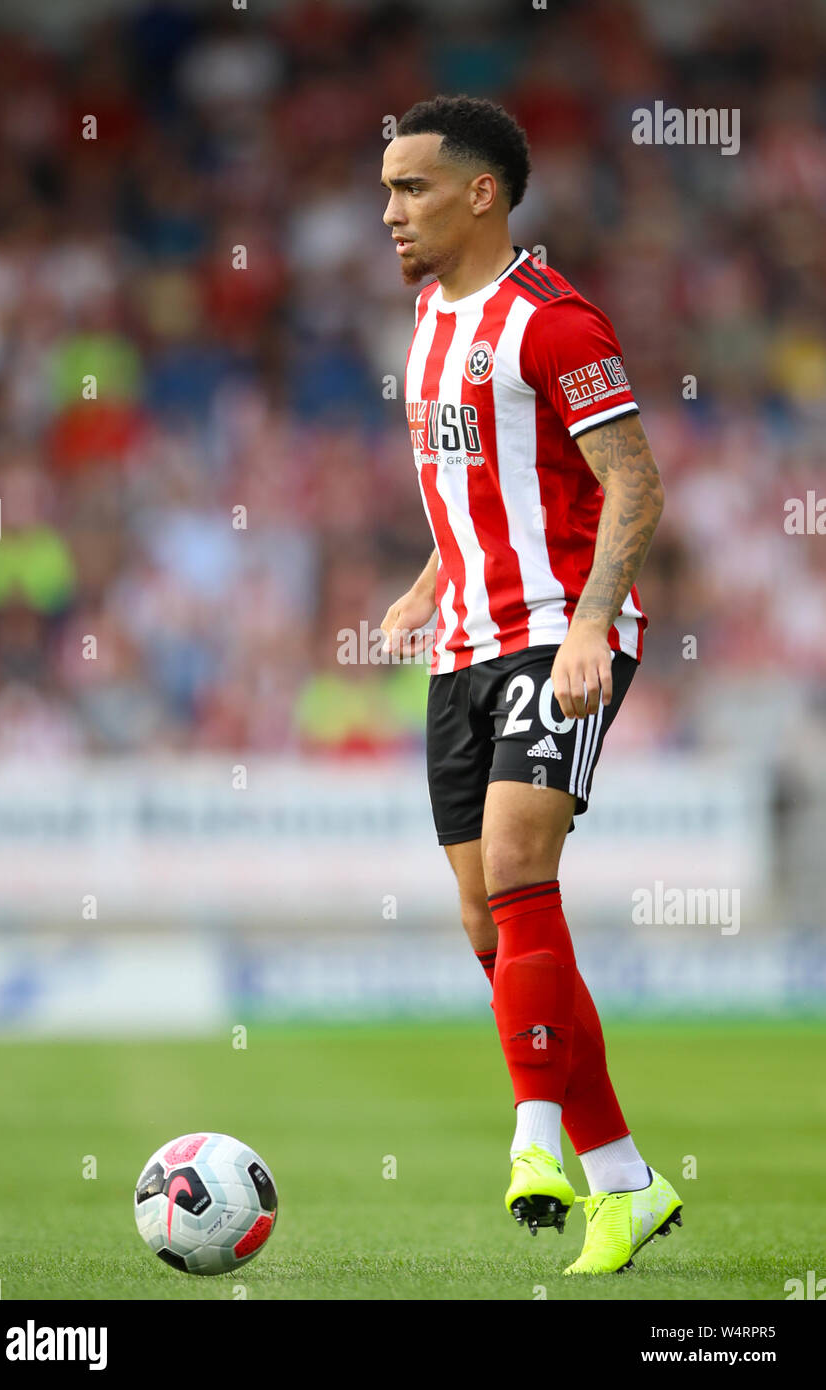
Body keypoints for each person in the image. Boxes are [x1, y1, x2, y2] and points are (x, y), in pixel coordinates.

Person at [379, 94, 682, 1275]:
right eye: (387, 190)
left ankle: (537, 1140)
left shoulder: (554, 323)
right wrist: (423, 584)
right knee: (488, 925)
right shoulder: (424, 318)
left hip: (559, 634)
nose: (391, 211)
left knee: (517, 866)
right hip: (462, 642)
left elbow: (636, 482)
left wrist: (595, 625)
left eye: (411, 188)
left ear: (481, 193)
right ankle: (625, 1182)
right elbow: (476, 486)